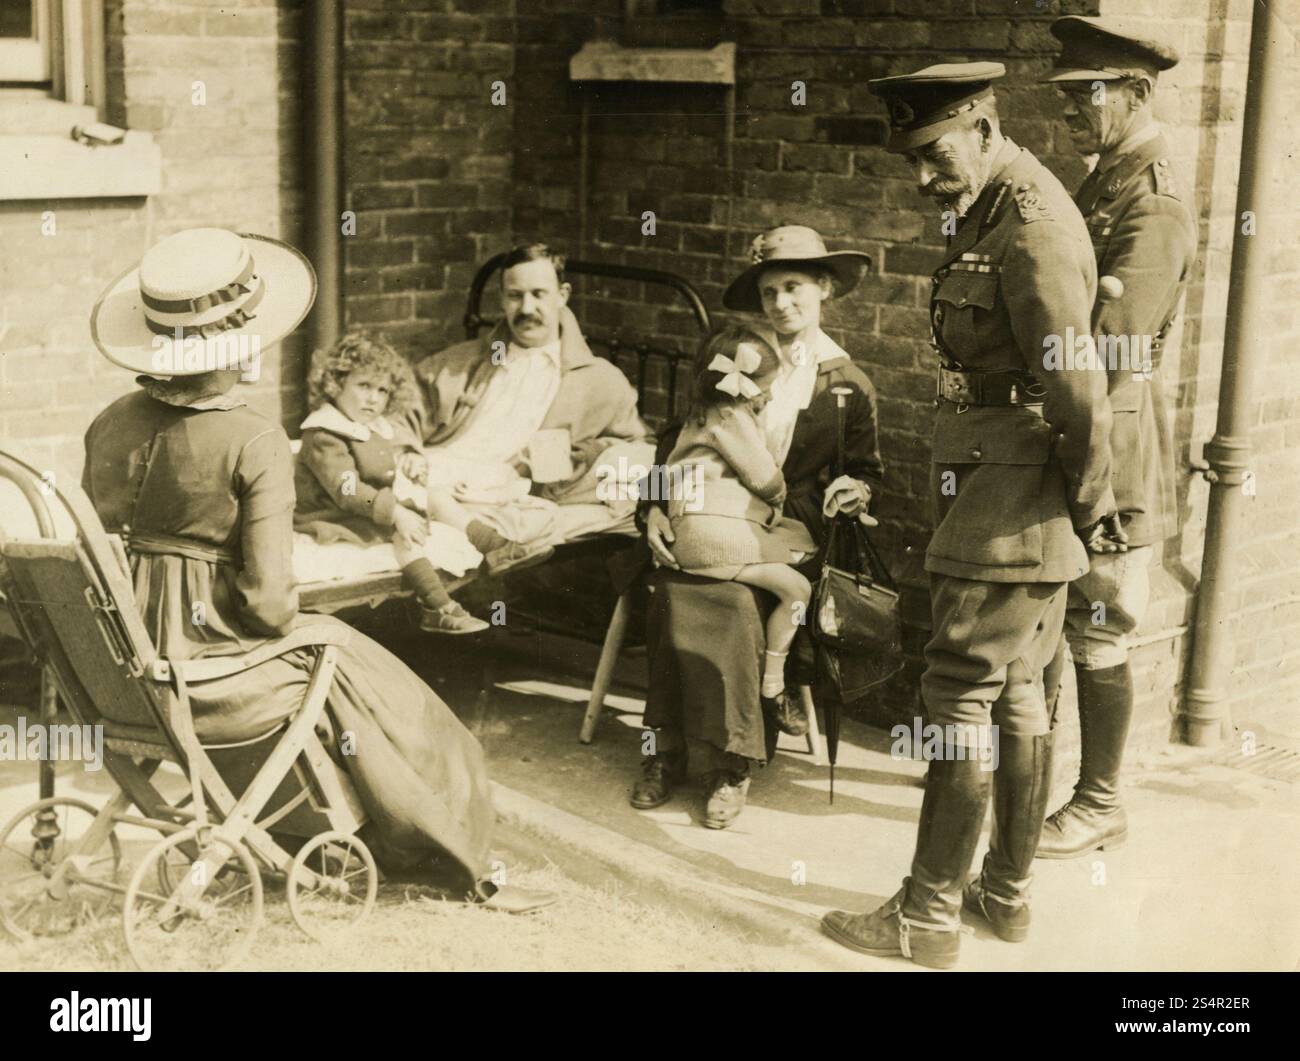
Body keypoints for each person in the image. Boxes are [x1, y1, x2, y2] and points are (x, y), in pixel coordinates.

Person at [83, 226, 553, 913]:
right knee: (378, 686)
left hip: (122, 672)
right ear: (239, 344)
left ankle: (321, 828)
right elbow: (271, 606)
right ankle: (441, 848)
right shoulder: (254, 438)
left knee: (343, 676)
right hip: (209, 677)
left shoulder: (108, 422)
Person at [820, 64, 1120, 968]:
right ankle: (1005, 892)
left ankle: (925, 914)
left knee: (957, 693)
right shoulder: (995, 205)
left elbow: (1078, 388)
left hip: (1012, 501)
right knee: (1017, 691)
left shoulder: (1032, 228)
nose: (922, 177)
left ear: (985, 126)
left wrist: (1089, 502)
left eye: (934, 153)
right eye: (913, 158)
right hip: (1006, 486)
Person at [633, 224, 882, 830]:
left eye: (794, 288)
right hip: (705, 515)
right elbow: (682, 439)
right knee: (679, 588)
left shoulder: (845, 383)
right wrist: (656, 507)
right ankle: (664, 750)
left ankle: (732, 764)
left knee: (736, 602)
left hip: (789, 529)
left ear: (824, 288)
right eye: (770, 292)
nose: (782, 304)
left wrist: (856, 490)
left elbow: (868, 470)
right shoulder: (740, 355)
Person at [1035, 17, 1196, 860]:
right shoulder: (1105, 180)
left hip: (1116, 436)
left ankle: (1098, 801)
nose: (1069, 109)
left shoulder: (1153, 202)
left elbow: (1112, 348)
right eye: (1065, 93)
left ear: (1135, 93)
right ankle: (1034, 772)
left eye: (1085, 93)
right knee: (1059, 607)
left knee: (1100, 616)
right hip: (1078, 423)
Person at [414, 243, 654, 543]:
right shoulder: (463, 362)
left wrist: (588, 451)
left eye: (539, 294)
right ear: (502, 299)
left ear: (562, 296)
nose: (526, 309)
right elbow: (405, 408)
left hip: (506, 489)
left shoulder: (600, 380)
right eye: (515, 296)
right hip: (442, 470)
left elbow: (639, 448)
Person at [662, 326, 818, 756]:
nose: (768, 398)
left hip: (691, 536)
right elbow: (765, 478)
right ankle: (774, 685)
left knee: (791, 565)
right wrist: (778, 493)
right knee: (799, 590)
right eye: (765, 390)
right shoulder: (731, 417)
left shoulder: (700, 413)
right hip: (714, 537)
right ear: (743, 388)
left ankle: (774, 685)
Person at [294, 332, 489, 634]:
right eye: (364, 386)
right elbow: (349, 491)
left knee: (435, 496)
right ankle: (437, 606)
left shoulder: (366, 426)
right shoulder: (325, 434)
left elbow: (379, 466)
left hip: (367, 507)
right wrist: (397, 513)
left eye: (383, 390)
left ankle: (492, 543)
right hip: (333, 515)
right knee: (404, 535)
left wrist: (408, 463)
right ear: (336, 384)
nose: (374, 398)